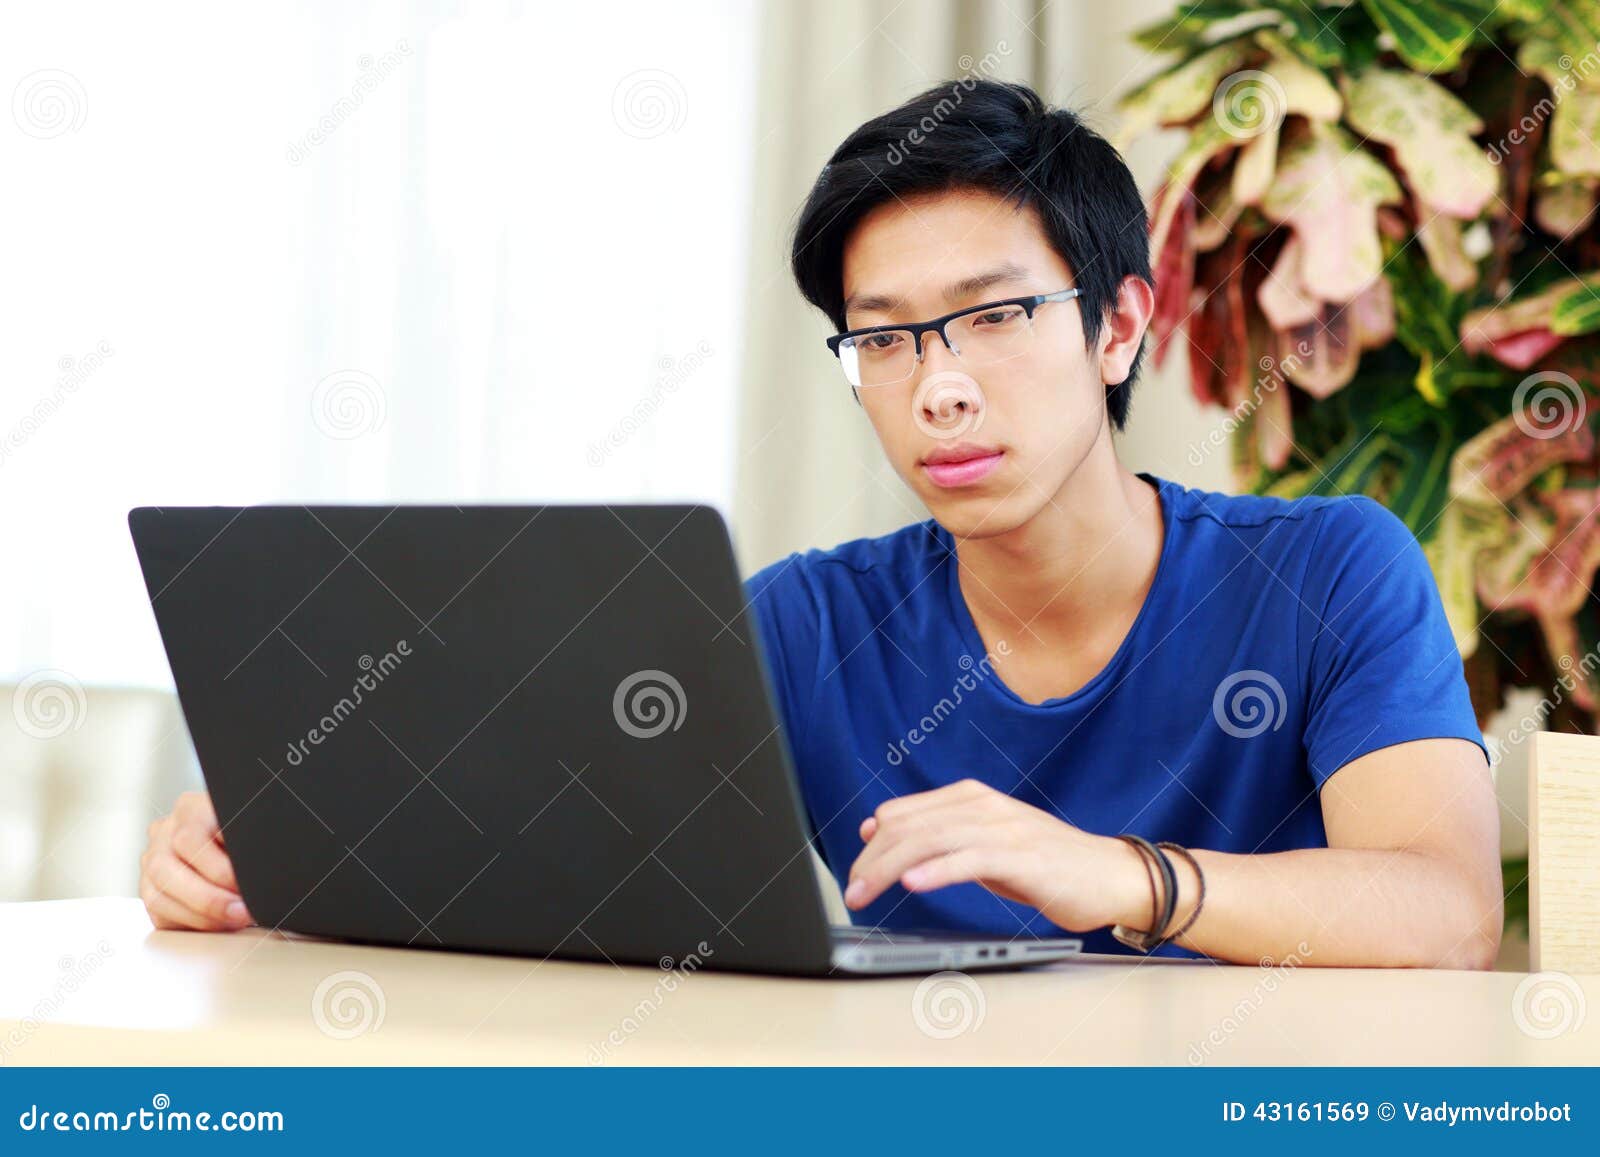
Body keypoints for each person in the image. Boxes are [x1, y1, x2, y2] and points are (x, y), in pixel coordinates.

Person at [138, 80, 1502, 967]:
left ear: (1120, 325)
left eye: (992, 317)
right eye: (887, 340)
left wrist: (1110, 875)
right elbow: (517, 823)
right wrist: (281, 836)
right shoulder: (804, 620)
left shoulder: (1327, 570)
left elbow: (1445, 911)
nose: (941, 382)